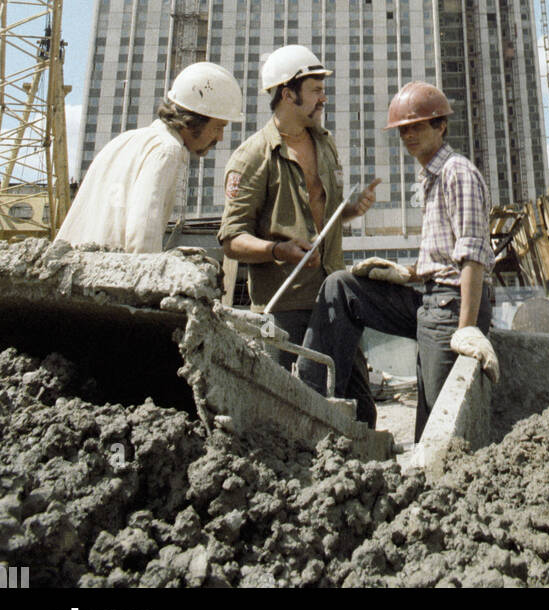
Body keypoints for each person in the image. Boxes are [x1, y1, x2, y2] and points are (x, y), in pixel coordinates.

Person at [299, 81, 499, 441]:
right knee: (343, 288)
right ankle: (321, 404)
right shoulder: (429, 178)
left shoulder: (457, 173)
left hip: (454, 306)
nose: (408, 136)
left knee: (438, 424)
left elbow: (471, 258)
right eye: (403, 130)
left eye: (417, 127)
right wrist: (402, 274)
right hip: (430, 297)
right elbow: (443, 257)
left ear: (441, 126)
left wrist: (466, 328)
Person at [218, 44, 379, 418]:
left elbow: (325, 216)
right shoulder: (252, 156)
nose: (324, 97)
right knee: (290, 412)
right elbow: (231, 239)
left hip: (335, 299)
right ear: (287, 93)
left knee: (360, 410)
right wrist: (279, 251)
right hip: (285, 308)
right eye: (315, 90)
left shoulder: (324, 143)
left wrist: (353, 210)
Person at [58, 63, 243, 254]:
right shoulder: (167, 150)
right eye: (218, 127)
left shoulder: (125, 140)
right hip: (111, 277)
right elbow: (143, 235)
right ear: (194, 120)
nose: (220, 137)